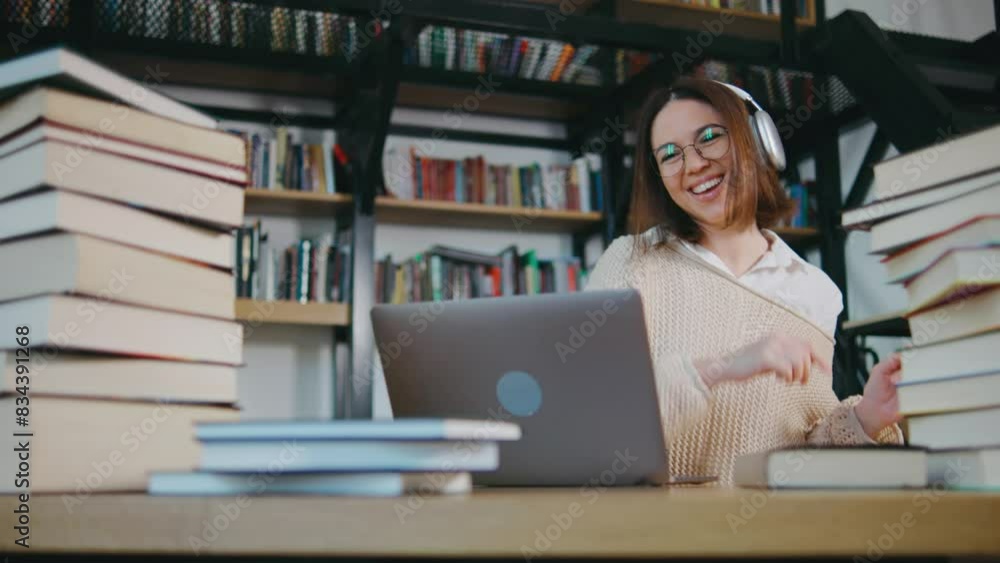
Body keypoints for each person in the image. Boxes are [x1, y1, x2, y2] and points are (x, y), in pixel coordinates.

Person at [585, 77, 903, 483]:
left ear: (758, 141)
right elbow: (598, 430)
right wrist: (723, 367)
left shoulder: (814, 290)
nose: (694, 164)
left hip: (769, 537)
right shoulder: (630, 263)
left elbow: (800, 459)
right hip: (652, 536)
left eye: (710, 137)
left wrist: (866, 418)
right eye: (669, 155)